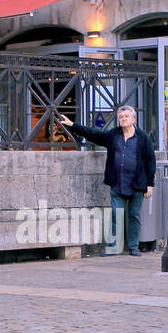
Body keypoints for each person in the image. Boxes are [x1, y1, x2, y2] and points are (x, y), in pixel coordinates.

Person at [58, 106, 155, 256]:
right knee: (116, 214)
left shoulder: (143, 138)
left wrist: (150, 184)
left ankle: (133, 247)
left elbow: (150, 161)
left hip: (137, 184)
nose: (123, 119)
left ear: (134, 119)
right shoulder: (113, 135)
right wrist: (73, 125)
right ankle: (115, 246)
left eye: (126, 116)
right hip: (117, 183)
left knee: (134, 215)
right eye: (121, 117)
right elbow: (94, 134)